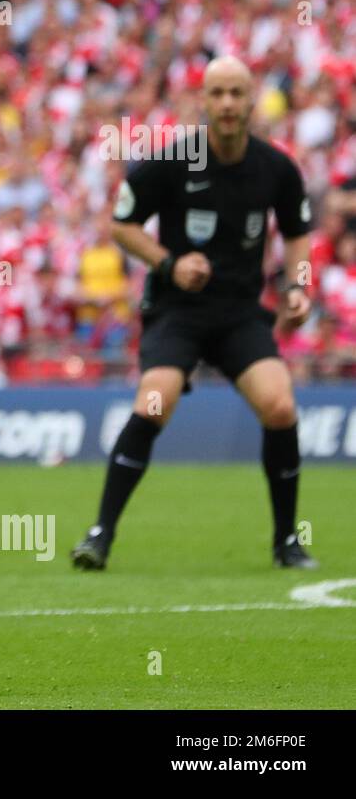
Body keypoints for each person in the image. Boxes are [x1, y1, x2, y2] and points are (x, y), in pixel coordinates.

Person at [71, 55, 317, 571]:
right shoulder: (173, 162)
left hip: (240, 315)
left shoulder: (276, 167)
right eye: (218, 93)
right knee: (154, 405)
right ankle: (100, 534)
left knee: (280, 406)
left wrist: (296, 286)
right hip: (177, 312)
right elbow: (122, 224)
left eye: (237, 93)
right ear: (203, 101)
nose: (227, 104)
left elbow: (298, 234)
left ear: (252, 100)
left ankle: (286, 542)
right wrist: (170, 263)